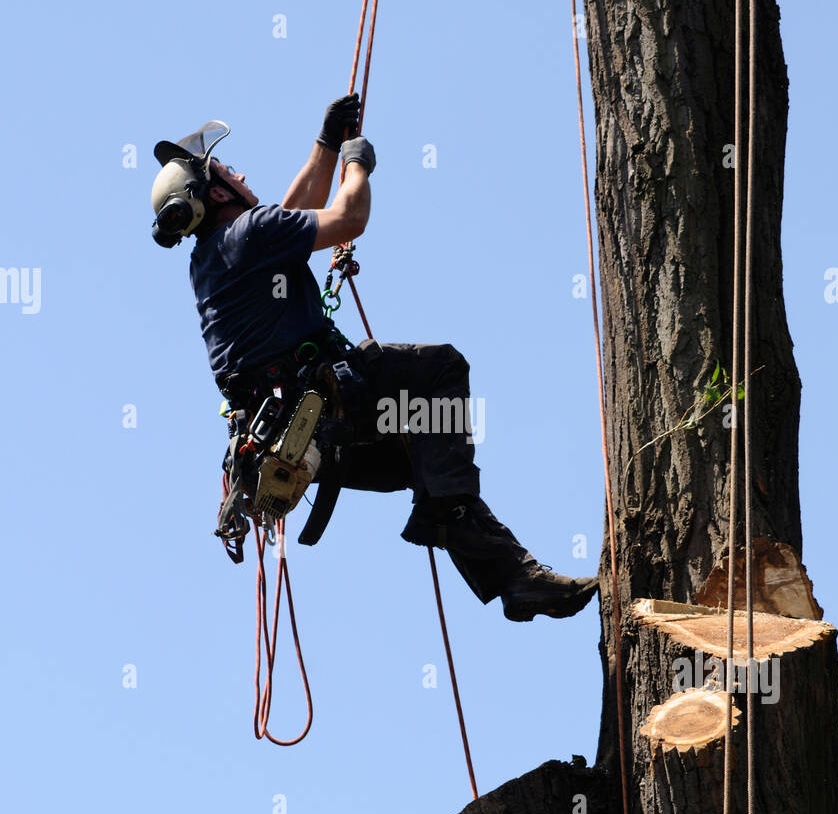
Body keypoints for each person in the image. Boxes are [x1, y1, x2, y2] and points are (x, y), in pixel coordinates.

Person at [150, 95, 598, 621]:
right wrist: (357, 164)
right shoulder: (250, 234)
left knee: (427, 458)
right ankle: (454, 521)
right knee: (440, 371)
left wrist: (324, 146)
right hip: (326, 403)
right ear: (217, 191)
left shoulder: (214, 256)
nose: (241, 172)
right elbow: (348, 217)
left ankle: (514, 578)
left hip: (311, 432)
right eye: (229, 169)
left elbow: (288, 216)